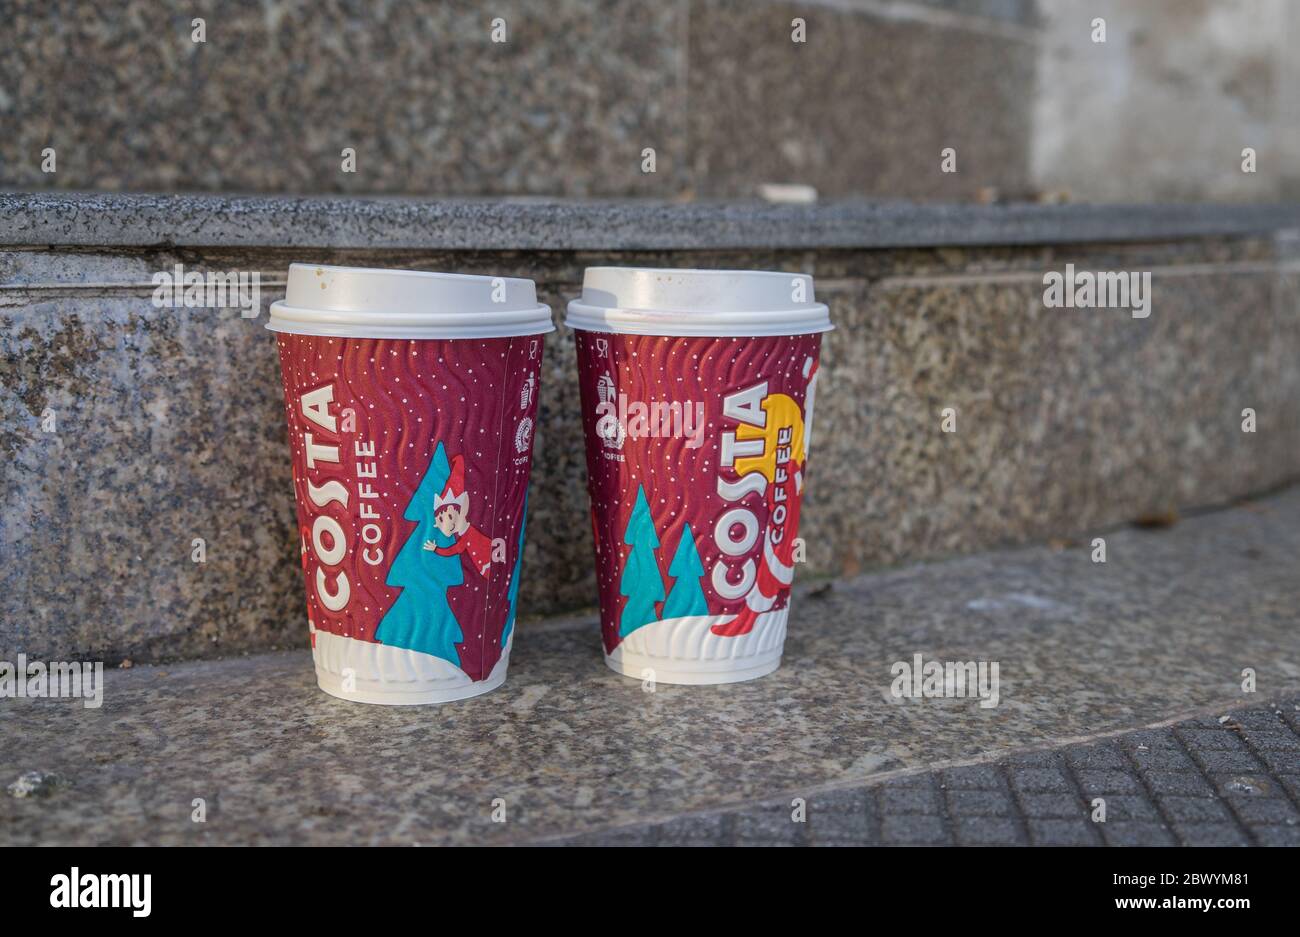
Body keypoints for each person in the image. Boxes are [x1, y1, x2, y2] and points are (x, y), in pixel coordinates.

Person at [423, 454, 493, 577]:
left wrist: (436, 549)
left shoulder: (468, 535)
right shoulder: (466, 535)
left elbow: (454, 549)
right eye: (440, 520)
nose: (447, 524)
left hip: (490, 565)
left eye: (450, 517)